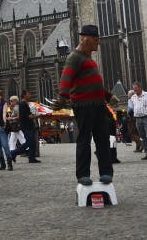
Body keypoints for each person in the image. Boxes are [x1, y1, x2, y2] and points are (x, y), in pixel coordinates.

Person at [53, 24, 113, 185]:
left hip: (98, 104)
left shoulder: (89, 59)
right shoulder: (75, 57)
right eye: (96, 39)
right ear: (85, 39)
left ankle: (106, 172)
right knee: (84, 140)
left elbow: (96, 83)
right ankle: (83, 174)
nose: (98, 43)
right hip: (83, 105)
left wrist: (108, 95)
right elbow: (66, 77)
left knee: (103, 140)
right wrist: (62, 97)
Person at [129, 81, 147, 160]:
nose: (134, 90)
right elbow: (132, 107)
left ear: (140, 88)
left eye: (136, 88)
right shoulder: (133, 97)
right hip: (138, 118)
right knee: (142, 136)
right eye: (133, 88)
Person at [11, 90, 41, 163]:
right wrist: (38, 115)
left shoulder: (24, 104)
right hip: (27, 126)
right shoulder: (23, 104)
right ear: (24, 95)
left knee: (32, 142)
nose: (30, 95)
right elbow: (28, 116)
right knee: (29, 142)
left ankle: (31, 157)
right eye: (28, 94)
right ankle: (14, 152)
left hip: (28, 126)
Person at [0, 90, 12, 171]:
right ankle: (2, 164)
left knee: (5, 145)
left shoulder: (4, 103)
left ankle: (9, 164)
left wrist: (4, 123)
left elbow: (4, 114)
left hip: (1, 127)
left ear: (1, 96)